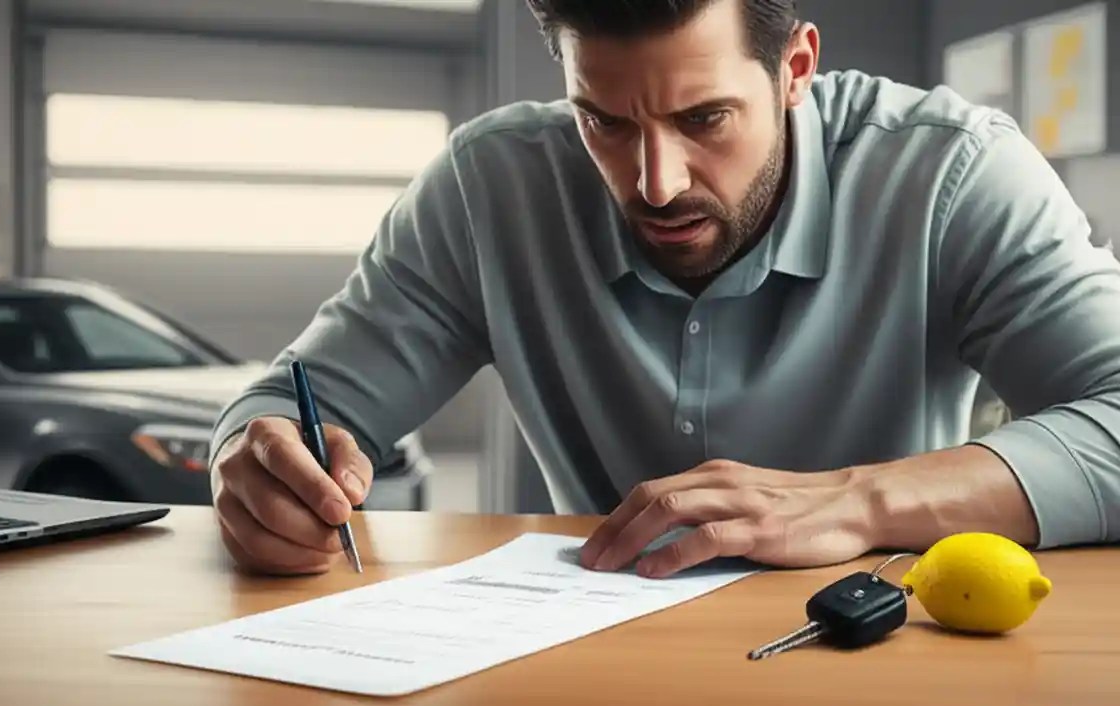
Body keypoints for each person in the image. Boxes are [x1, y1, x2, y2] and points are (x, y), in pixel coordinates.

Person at [209, 0, 1120, 577]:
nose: (655, 182)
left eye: (704, 117)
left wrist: (855, 499)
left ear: (796, 69)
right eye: (603, 121)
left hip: (871, 646)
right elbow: (286, 406)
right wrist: (256, 467)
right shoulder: (489, 187)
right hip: (589, 657)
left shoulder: (955, 171)